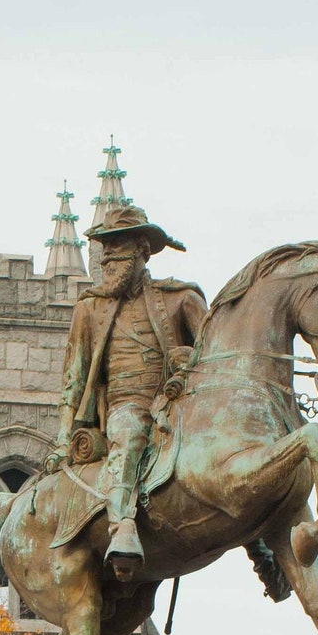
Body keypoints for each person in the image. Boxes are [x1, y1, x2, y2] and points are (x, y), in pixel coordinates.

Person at [45, 204, 208, 575]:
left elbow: (217, 356)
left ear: (142, 252)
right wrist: (61, 438)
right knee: (130, 435)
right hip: (125, 406)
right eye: (105, 253)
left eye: (117, 252)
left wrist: (189, 361)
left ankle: (259, 542)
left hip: (178, 404)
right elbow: (73, 379)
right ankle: (122, 527)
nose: (108, 261)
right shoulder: (89, 309)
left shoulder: (180, 298)